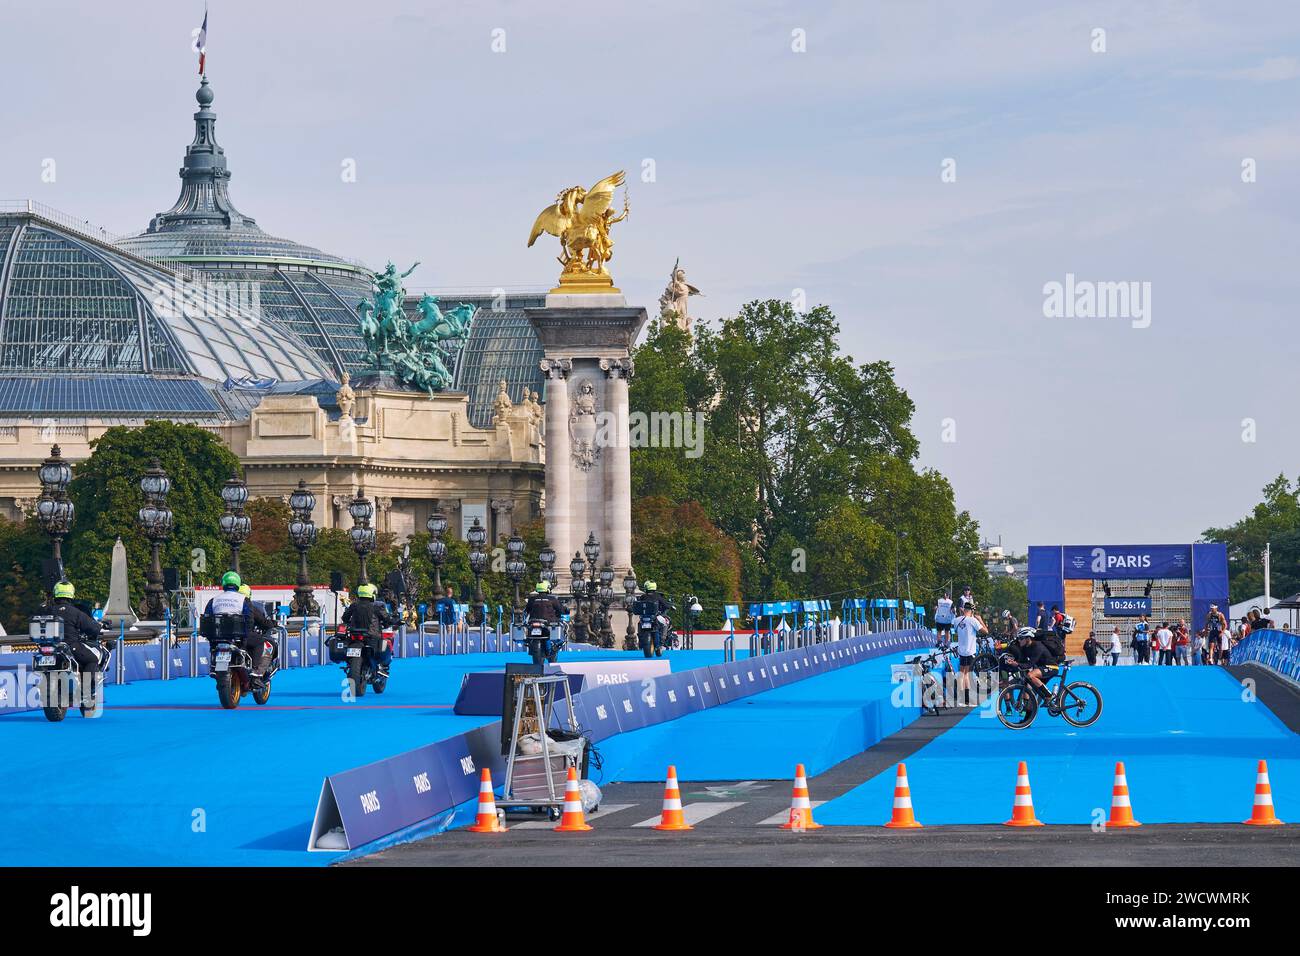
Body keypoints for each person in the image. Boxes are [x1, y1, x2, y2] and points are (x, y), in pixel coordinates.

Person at [202, 572, 273, 680]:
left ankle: (213, 666)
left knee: (213, 647)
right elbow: (249, 619)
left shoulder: (214, 600)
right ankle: (255, 670)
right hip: (238, 637)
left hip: (218, 636)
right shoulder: (243, 600)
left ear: (223, 583)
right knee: (260, 642)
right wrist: (246, 633)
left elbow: (207, 618)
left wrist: (211, 636)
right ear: (237, 584)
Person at [38, 580, 111, 674]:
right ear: (71, 593)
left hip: (49, 647)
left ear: (56, 593)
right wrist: (99, 626)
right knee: (92, 659)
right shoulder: (75, 612)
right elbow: (92, 628)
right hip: (70, 646)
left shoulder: (48, 611)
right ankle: (87, 683)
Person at [341, 582, 400, 678]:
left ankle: (352, 665)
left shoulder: (353, 605)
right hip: (372, 636)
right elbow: (387, 619)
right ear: (372, 594)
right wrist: (395, 621)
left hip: (354, 635)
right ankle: (382, 667)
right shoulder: (378, 606)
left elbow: (345, 618)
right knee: (385, 644)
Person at [1004, 626, 1059, 704]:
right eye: (1019, 638)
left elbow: (1029, 664)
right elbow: (1021, 661)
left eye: (1021, 638)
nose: (1019, 640)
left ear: (1028, 638)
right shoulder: (1025, 647)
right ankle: (1027, 707)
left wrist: (1017, 664)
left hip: (1051, 667)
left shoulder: (1038, 646)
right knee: (1028, 684)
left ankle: (1050, 696)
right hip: (1041, 668)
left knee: (1030, 675)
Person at [954, 602, 987, 707]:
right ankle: (968, 700)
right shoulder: (973, 620)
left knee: (962, 674)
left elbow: (956, 631)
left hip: (961, 650)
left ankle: (961, 700)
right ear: (972, 611)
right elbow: (986, 631)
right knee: (968, 675)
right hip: (970, 651)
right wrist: (980, 619)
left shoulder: (957, 620)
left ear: (964, 609)